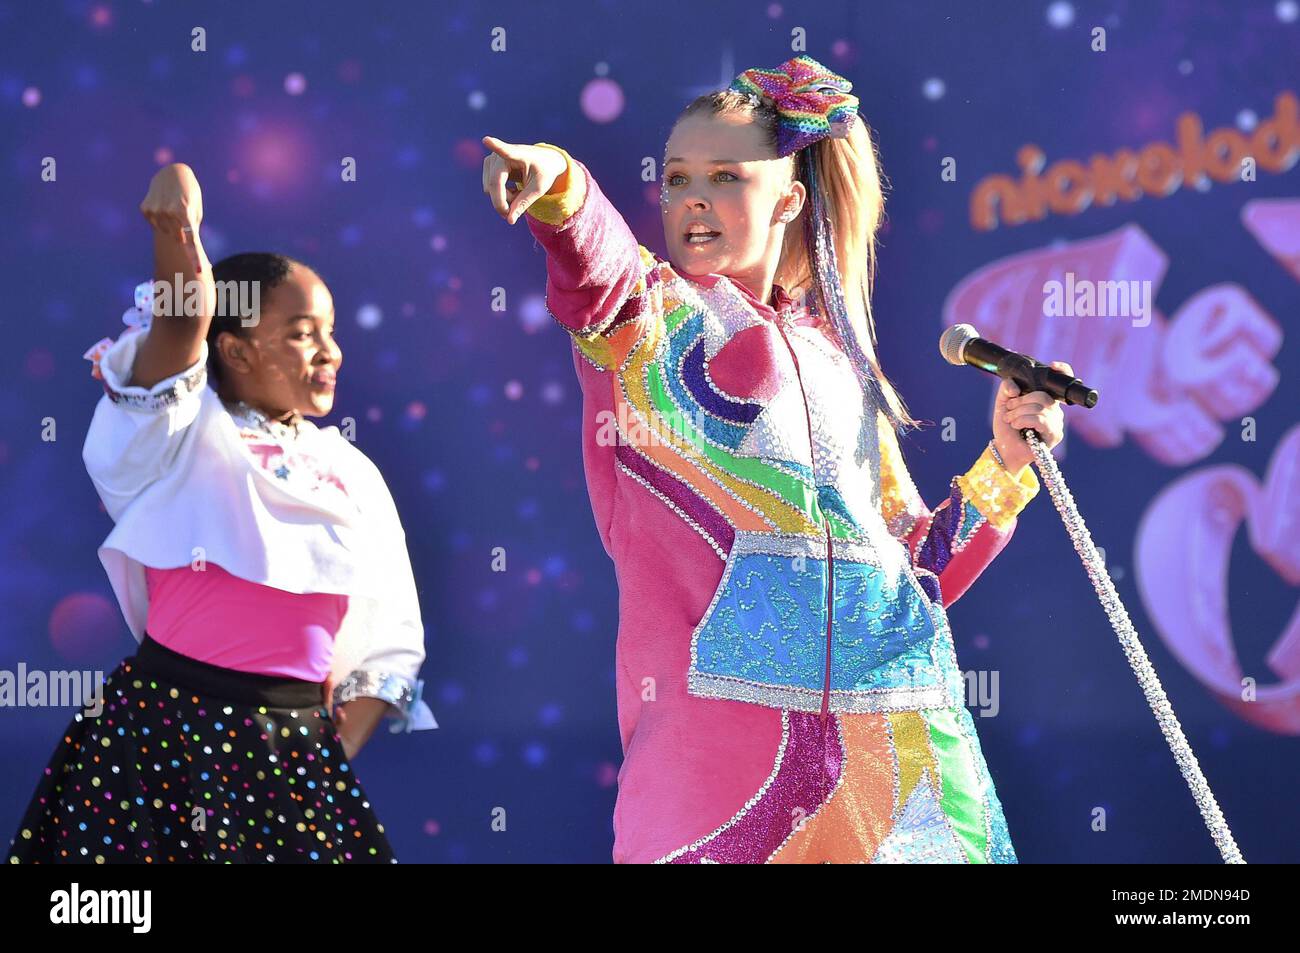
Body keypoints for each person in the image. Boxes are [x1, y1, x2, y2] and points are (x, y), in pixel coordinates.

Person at [482, 55, 1070, 863]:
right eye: (677, 176)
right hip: (721, 765)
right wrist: (555, 178)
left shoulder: (841, 364)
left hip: (900, 751)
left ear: (789, 198)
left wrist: (1006, 463)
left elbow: (915, 573)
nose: (693, 195)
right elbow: (592, 256)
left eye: (726, 175)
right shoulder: (642, 324)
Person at [7, 162, 434, 865]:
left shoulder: (351, 473)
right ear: (234, 348)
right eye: (301, 332)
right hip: (157, 747)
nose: (330, 351)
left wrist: (315, 759)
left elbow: (392, 640)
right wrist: (176, 229)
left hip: (293, 762)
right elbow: (181, 325)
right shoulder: (178, 432)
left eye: (329, 331)